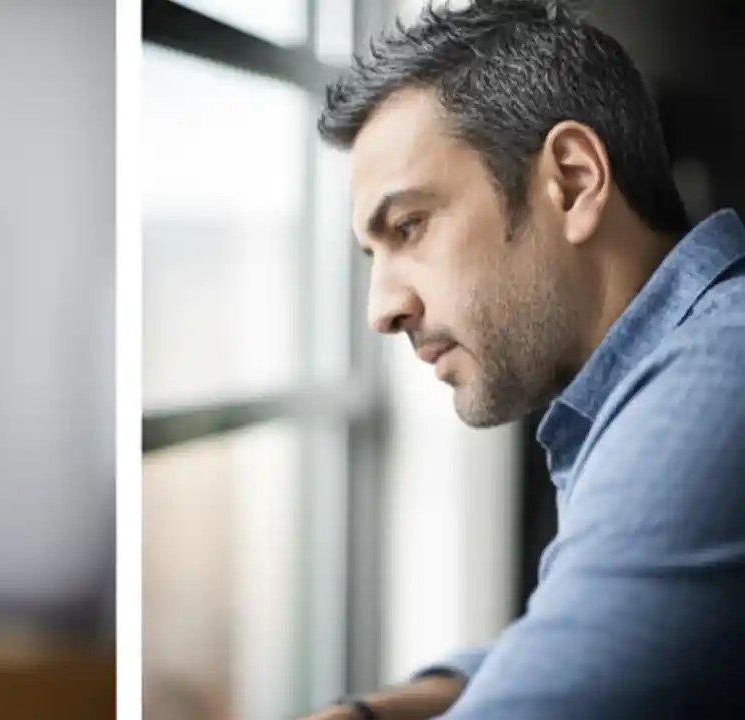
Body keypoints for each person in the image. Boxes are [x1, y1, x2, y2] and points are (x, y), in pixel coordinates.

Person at [306, 1, 745, 718]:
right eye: (372, 254)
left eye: (410, 226)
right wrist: (376, 711)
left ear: (572, 182)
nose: (380, 309)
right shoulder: (679, 360)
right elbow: (585, 628)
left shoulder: (716, 382)